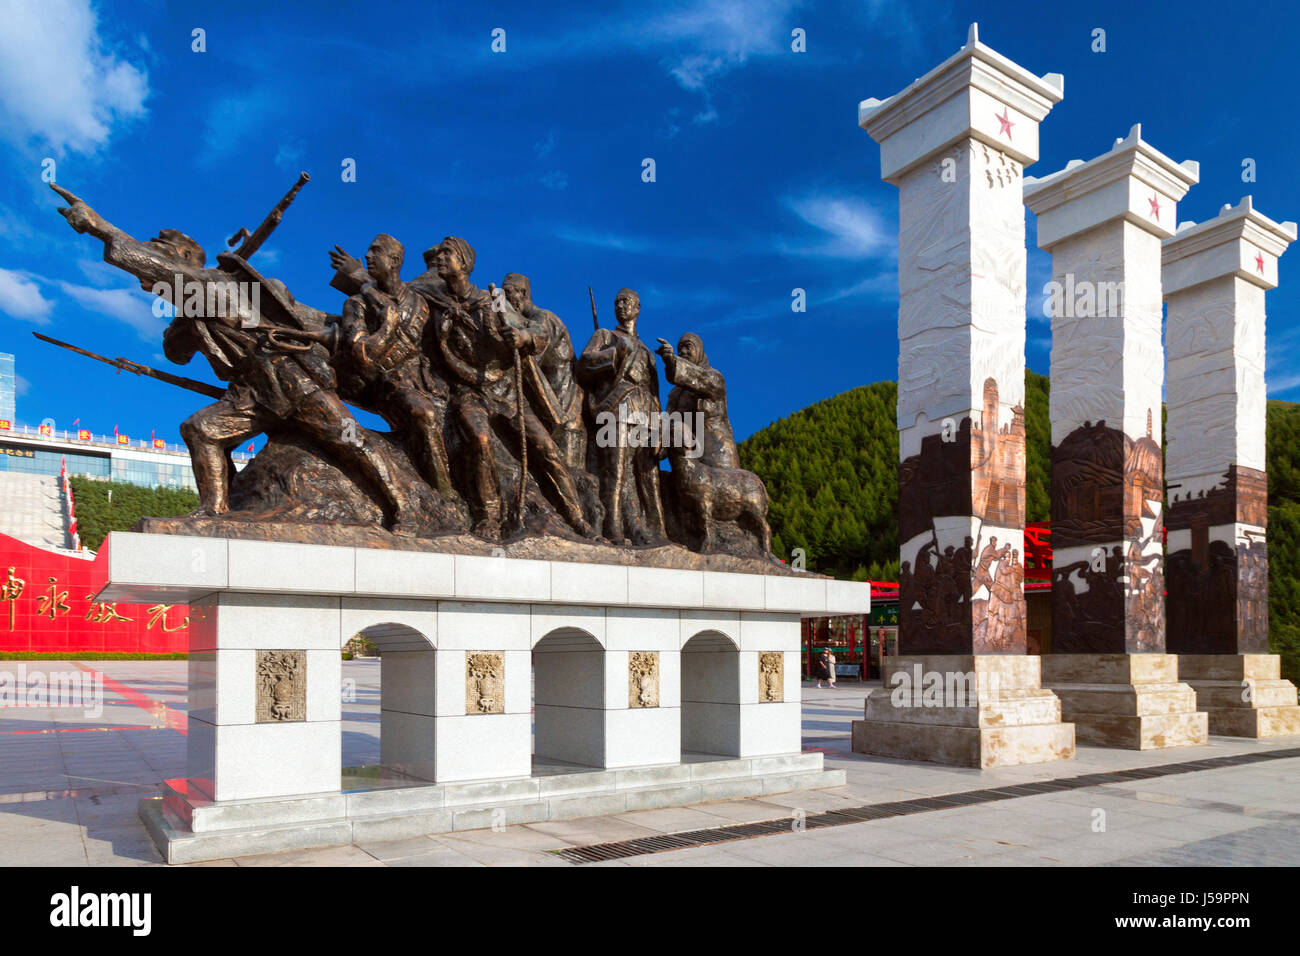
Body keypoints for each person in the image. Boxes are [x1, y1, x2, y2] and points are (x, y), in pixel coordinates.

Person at [51, 184, 419, 533]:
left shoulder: (208, 283)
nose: (150, 277)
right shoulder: (194, 303)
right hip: (251, 390)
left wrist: (100, 228)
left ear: (178, 261)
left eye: (160, 259)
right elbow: (176, 355)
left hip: (288, 377)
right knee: (200, 430)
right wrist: (184, 320)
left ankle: (403, 508)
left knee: (351, 441)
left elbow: (150, 266)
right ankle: (215, 510)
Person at [425, 237, 592, 539]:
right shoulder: (432, 298)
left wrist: (522, 338)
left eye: (447, 253)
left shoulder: (492, 300)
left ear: (464, 262)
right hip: (468, 391)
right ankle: (487, 517)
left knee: (547, 449)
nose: (439, 258)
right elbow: (393, 292)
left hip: (505, 393)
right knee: (480, 438)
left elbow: (532, 330)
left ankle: (577, 519)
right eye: (439, 253)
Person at [576, 288, 667, 545]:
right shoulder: (605, 335)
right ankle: (613, 528)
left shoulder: (648, 353)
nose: (621, 305)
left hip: (644, 416)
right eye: (617, 302)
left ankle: (650, 531)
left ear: (638, 308)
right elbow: (585, 363)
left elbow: (655, 393)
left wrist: (659, 429)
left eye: (626, 302)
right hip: (616, 411)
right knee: (615, 473)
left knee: (645, 478)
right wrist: (615, 354)